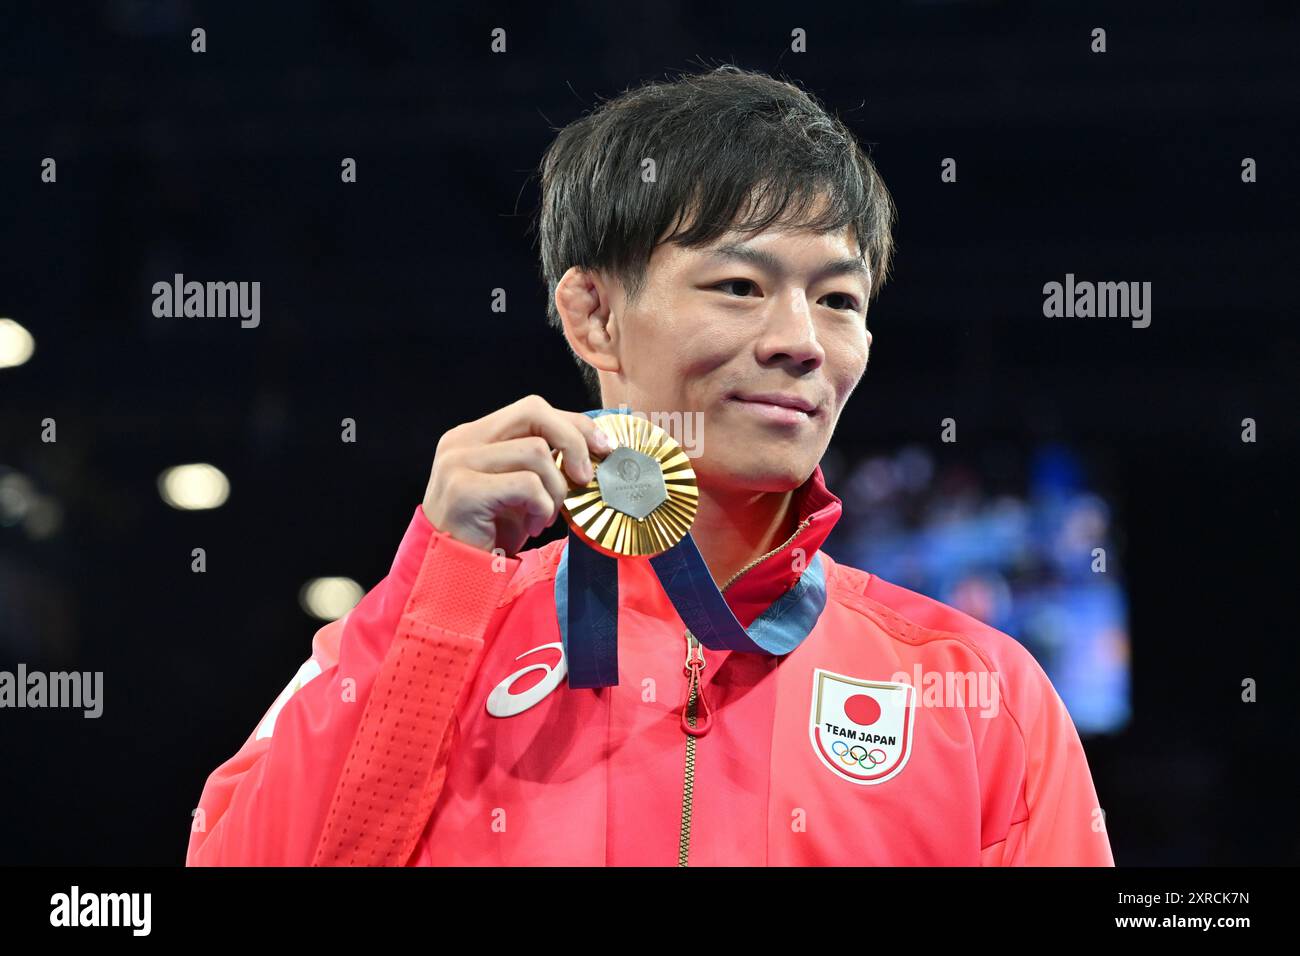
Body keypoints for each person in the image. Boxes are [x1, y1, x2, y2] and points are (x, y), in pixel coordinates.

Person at [185, 64, 1114, 866]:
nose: (800, 342)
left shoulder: (981, 692)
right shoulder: (436, 637)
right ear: (593, 316)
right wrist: (438, 596)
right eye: (740, 286)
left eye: (838, 299)